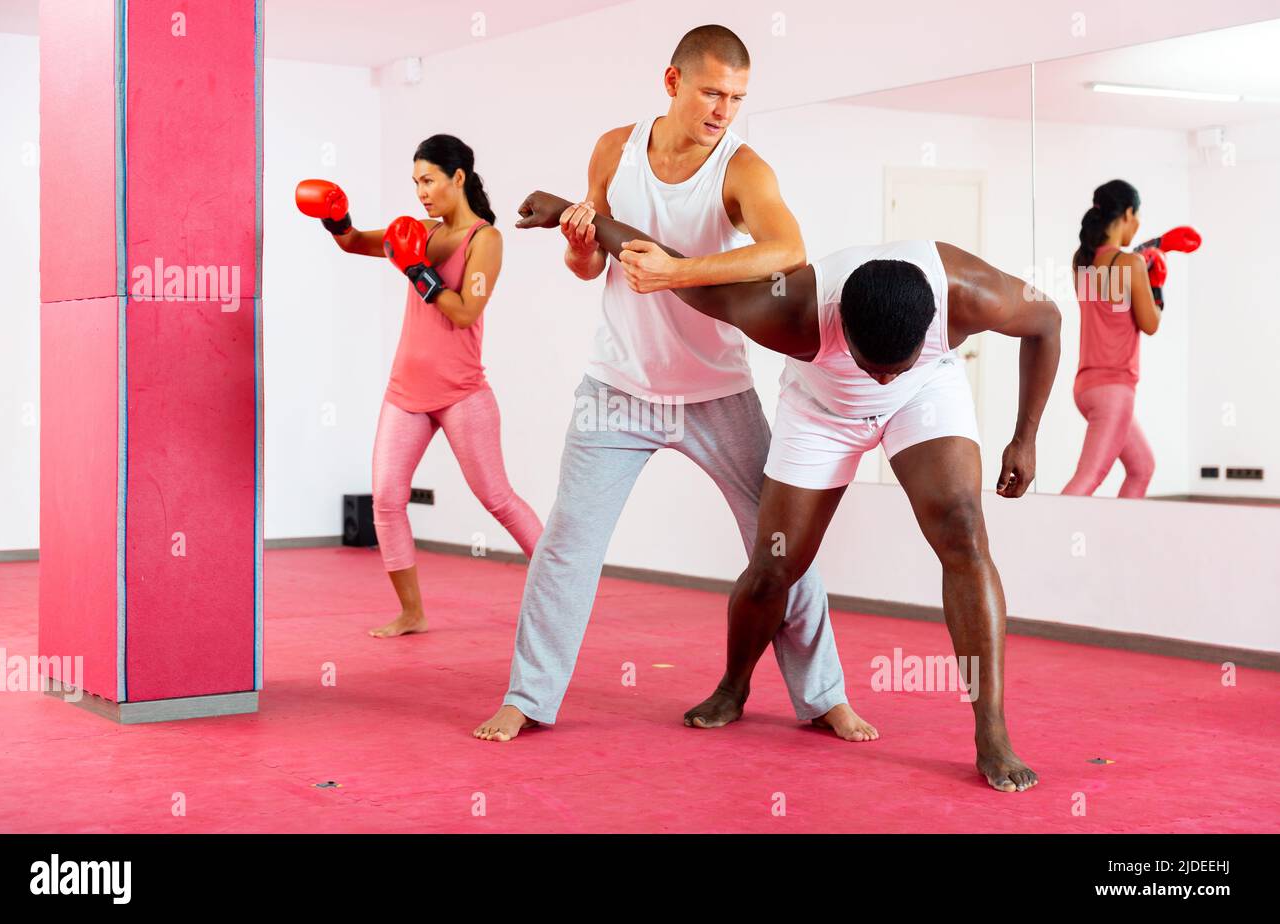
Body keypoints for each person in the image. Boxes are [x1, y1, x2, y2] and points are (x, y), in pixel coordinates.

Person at [514, 188, 1061, 792]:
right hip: (821, 410)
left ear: (935, 324)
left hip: (923, 399)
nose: (879, 375)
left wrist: (1026, 436)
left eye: (892, 363)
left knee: (963, 530)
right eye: (869, 361)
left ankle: (992, 732)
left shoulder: (968, 292)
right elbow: (683, 276)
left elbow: (1048, 322)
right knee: (777, 564)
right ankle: (734, 684)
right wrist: (580, 215)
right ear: (840, 324)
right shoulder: (791, 311)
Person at [473, 25, 874, 743]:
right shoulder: (613, 150)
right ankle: (528, 696)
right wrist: (576, 245)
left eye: (737, 97)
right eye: (712, 92)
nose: (724, 109)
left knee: (783, 544)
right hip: (616, 388)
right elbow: (589, 267)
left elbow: (787, 250)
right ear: (672, 83)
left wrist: (676, 271)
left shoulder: (741, 168)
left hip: (716, 391)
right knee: (567, 543)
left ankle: (823, 696)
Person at [295, 134, 543, 638]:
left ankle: (564, 586)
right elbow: (353, 242)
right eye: (415, 182)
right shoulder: (419, 231)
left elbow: (466, 312)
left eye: (428, 180)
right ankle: (412, 612)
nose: (422, 192)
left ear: (458, 177)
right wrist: (336, 216)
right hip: (405, 391)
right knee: (387, 499)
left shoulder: (485, 240)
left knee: (497, 498)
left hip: (461, 393)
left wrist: (418, 271)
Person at [1061, 179, 1161, 498]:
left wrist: (1142, 267)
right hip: (1113, 390)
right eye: (1138, 215)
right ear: (1129, 213)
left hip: (1086, 387)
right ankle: (1048, 541)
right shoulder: (1130, 264)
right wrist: (1156, 285)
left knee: (1142, 466)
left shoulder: (1083, 264)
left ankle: (1120, 539)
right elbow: (1150, 323)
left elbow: (1111, 302)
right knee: (1088, 477)